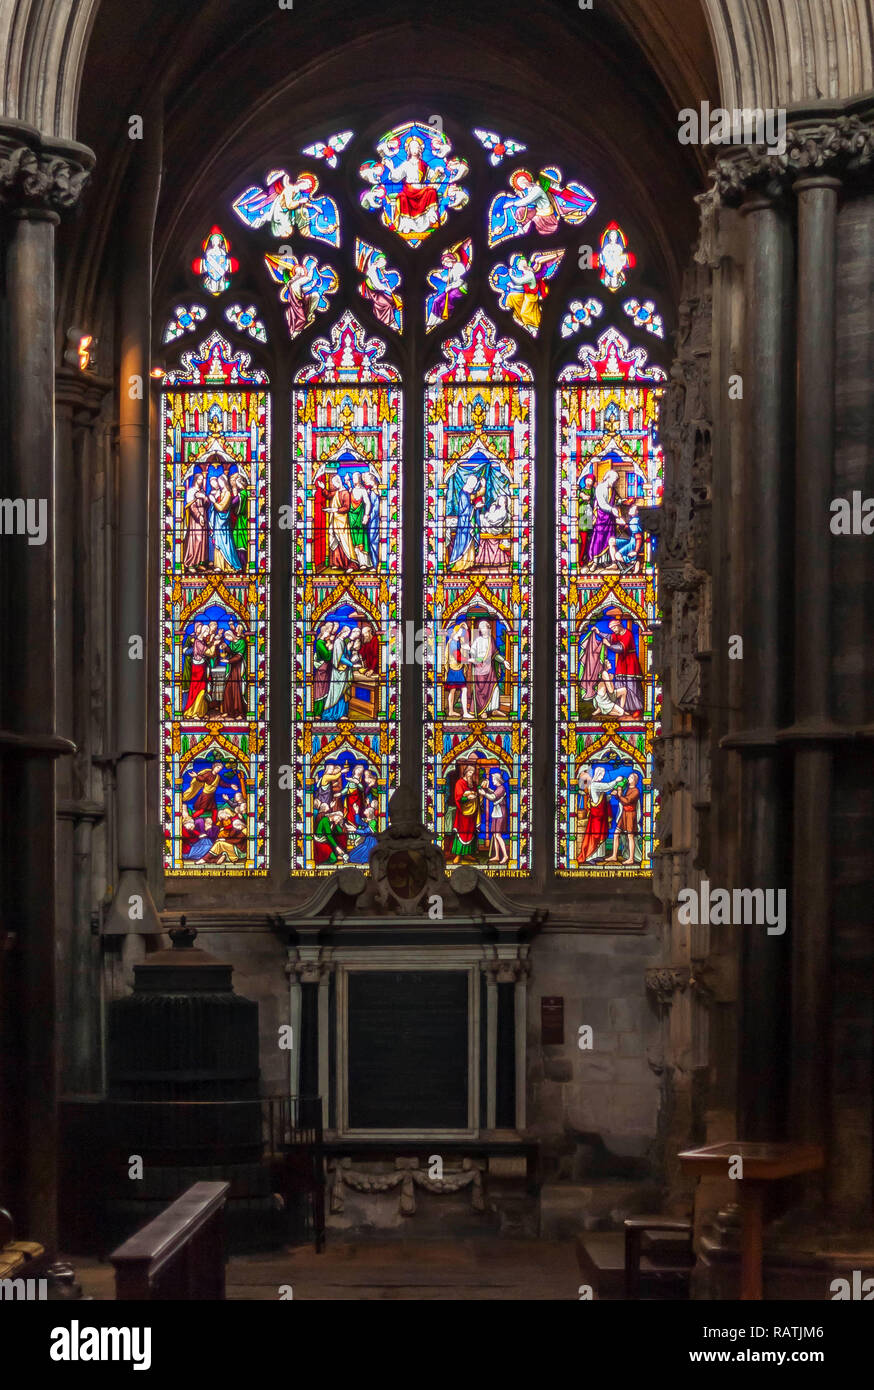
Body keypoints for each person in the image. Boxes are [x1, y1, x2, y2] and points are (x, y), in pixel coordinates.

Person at [576, 766, 625, 864]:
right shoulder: (594, 785)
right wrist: (616, 780)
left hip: (601, 816)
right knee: (594, 836)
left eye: (603, 775)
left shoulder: (596, 785)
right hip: (596, 817)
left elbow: (602, 799)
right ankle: (589, 857)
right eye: (601, 774)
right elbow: (607, 786)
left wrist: (611, 795)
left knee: (600, 835)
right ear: (597, 774)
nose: (602, 777)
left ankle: (597, 855)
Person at [602, 610, 644, 715]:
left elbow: (620, 648)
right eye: (612, 629)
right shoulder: (616, 634)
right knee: (620, 683)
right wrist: (598, 632)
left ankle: (636, 709)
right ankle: (623, 708)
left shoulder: (628, 634)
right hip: (621, 662)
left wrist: (608, 645)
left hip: (630, 662)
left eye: (614, 628)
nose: (613, 630)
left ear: (619, 625)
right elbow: (609, 637)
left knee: (631, 685)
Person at [468, 620, 509, 718]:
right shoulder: (477, 640)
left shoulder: (491, 640)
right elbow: (472, 652)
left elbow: (495, 655)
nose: (482, 630)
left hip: (489, 668)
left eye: (484, 627)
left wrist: (503, 661)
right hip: (479, 668)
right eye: (481, 628)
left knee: (494, 687)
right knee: (480, 690)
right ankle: (482, 711)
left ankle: (494, 709)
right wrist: (474, 657)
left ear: (488, 628)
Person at [585, 469, 620, 569]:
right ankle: (595, 562)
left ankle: (605, 561)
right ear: (608, 478)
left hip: (609, 518)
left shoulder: (612, 489)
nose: (615, 482)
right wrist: (612, 509)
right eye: (614, 479)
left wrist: (622, 501)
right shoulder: (600, 488)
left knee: (608, 539)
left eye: (616, 480)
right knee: (599, 539)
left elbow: (615, 499)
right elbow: (602, 503)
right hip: (601, 517)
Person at [606, 772, 641, 865]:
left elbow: (627, 801)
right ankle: (614, 855)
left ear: (634, 780)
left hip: (630, 815)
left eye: (631, 777)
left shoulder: (636, 791)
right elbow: (622, 799)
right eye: (629, 776)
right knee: (616, 833)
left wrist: (620, 794)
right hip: (624, 814)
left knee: (630, 836)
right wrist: (617, 795)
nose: (628, 778)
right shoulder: (628, 788)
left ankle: (631, 858)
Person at [448, 763, 481, 863]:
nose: (471, 774)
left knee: (471, 833)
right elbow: (458, 797)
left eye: (473, 772)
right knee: (461, 832)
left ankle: (467, 854)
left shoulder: (473, 784)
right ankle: (458, 855)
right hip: (463, 812)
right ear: (466, 772)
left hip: (472, 812)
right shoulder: (460, 783)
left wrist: (477, 796)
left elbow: (477, 794)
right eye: (470, 772)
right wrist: (466, 797)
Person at [444, 621, 470, 719]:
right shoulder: (452, 643)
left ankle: (453, 711)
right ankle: (461, 712)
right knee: (457, 690)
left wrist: (466, 648)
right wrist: (469, 659)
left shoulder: (457, 641)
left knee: (454, 690)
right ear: (457, 631)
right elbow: (458, 657)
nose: (462, 633)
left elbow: (462, 649)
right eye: (461, 631)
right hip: (454, 670)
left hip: (457, 669)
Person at [183, 473, 209, 569]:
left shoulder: (202, 491)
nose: (201, 481)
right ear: (195, 480)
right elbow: (191, 506)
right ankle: (191, 563)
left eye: (202, 479)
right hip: (195, 519)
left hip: (204, 515)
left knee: (203, 540)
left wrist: (205, 498)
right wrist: (199, 516)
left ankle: (199, 563)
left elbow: (207, 505)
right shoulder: (191, 491)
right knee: (197, 539)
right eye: (199, 479)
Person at [484, 769, 509, 865]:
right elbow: (492, 793)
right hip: (496, 812)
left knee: (498, 835)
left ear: (498, 780)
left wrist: (484, 793)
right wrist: (486, 789)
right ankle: (497, 855)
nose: (492, 781)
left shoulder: (501, 788)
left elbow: (493, 797)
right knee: (494, 835)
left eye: (493, 779)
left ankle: (505, 856)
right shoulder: (498, 788)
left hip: (501, 813)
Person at [222, 623, 248, 718]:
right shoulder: (232, 643)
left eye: (228, 637)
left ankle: (239, 713)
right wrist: (226, 647)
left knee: (237, 690)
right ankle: (228, 710)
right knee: (228, 689)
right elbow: (231, 652)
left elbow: (238, 656)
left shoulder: (241, 642)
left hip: (238, 669)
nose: (227, 639)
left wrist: (228, 661)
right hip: (232, 669)